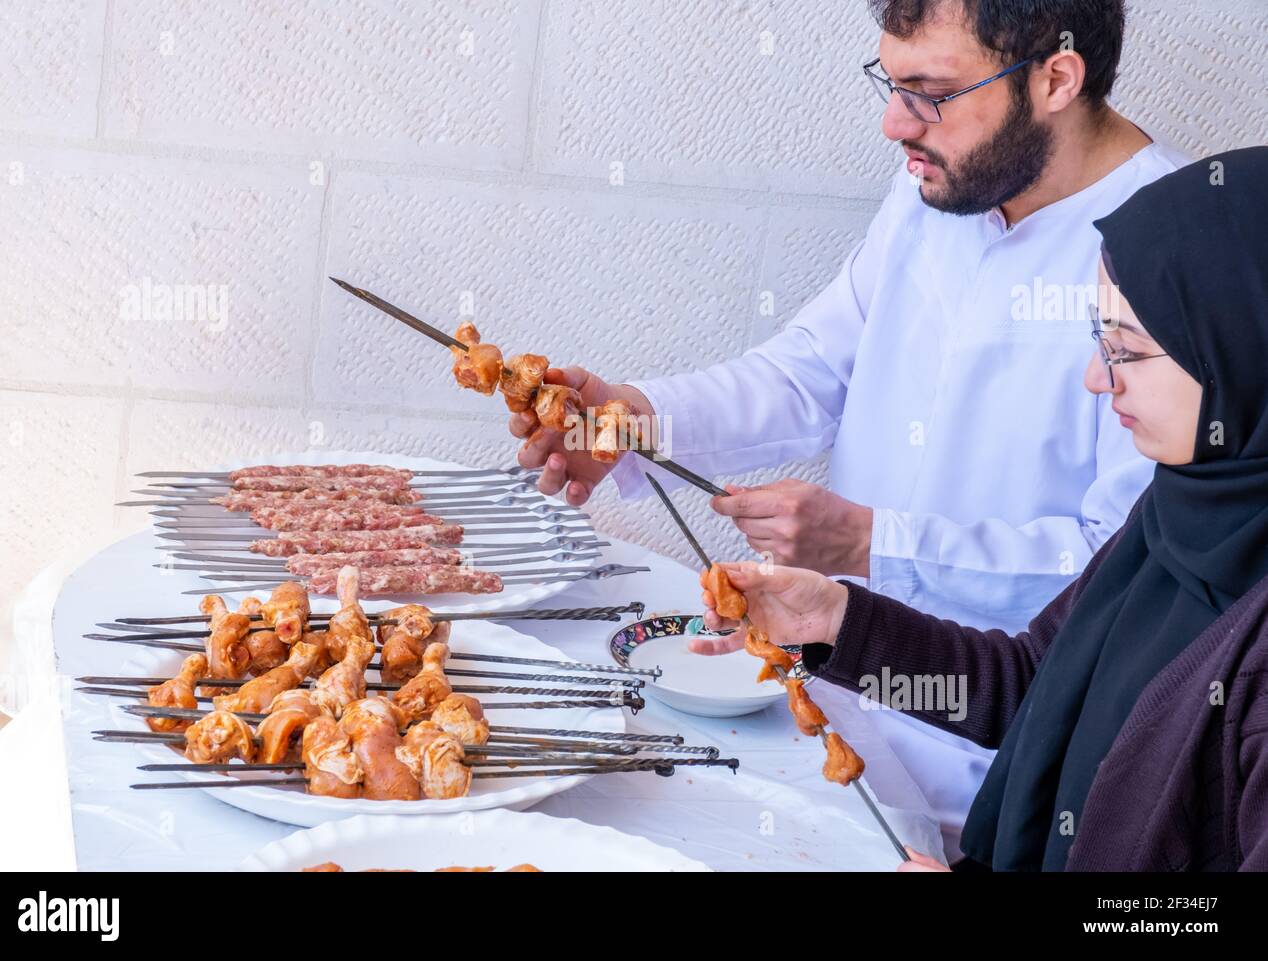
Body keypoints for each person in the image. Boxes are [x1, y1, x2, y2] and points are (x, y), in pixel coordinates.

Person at [508, 0, 1188, 846]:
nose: (893, 122)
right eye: (891, 82)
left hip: (988, 768)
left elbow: (1116, 570)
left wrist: (873, 543)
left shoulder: (1176, 251)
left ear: (1056, 77)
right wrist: (642, 420)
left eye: (929, 92)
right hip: (831, 701)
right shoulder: (940, 182)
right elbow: (809, 371)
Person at [695, 148, 1268, 871]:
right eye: (1098, 340)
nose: (1097, 378)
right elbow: (1030, 683)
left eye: (1126, 351)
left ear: (1242, 353)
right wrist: (832, 624)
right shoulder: (1174, 515)